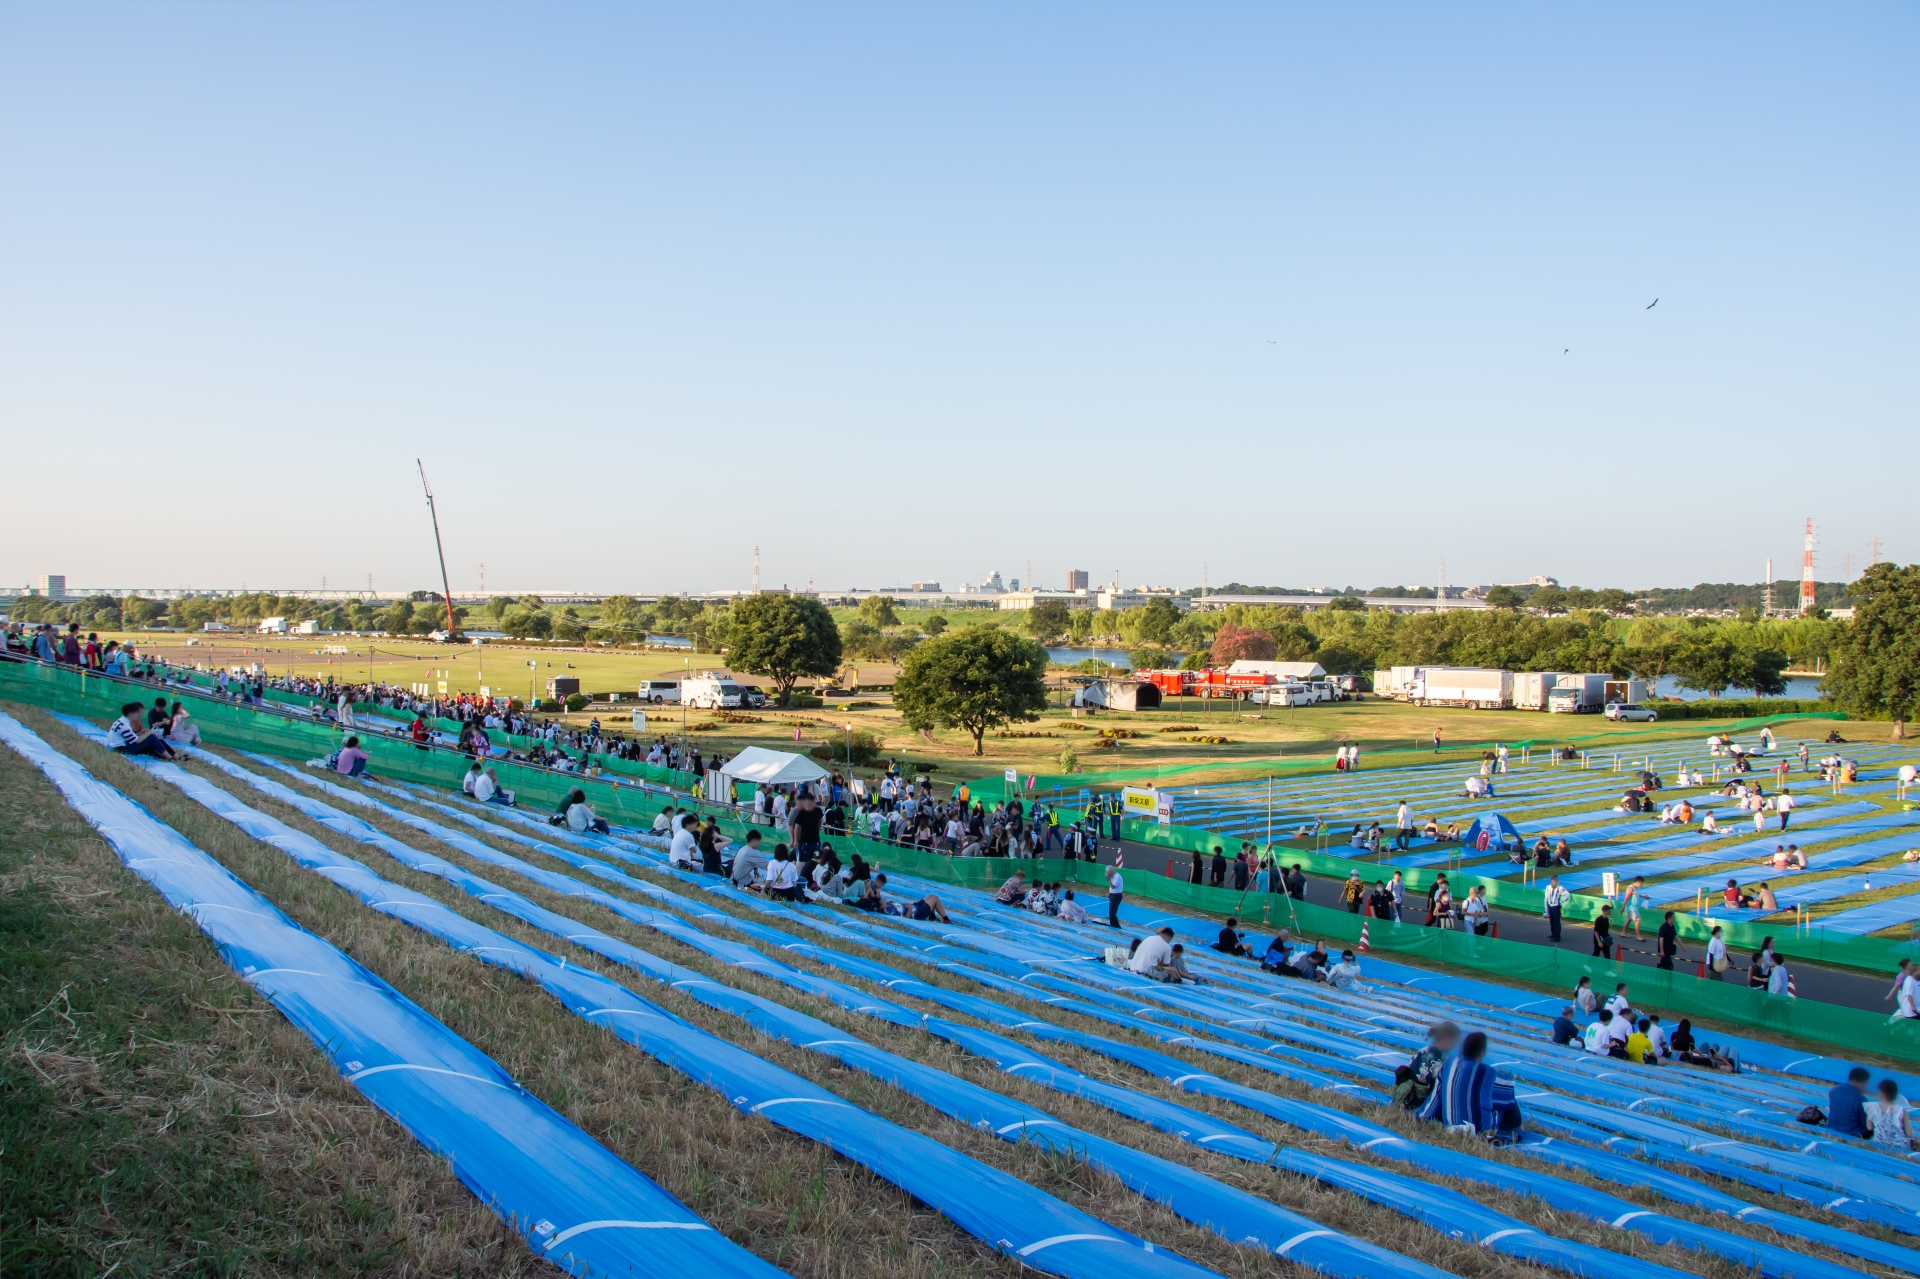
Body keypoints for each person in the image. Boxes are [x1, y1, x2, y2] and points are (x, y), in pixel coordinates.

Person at [1418, 1031, 1522, 1143]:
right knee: (1507, 1094)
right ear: (1481, 1052)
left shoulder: (1448, 1064)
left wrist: (1423, 1115)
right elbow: (1508, 1087)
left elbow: (1436, 1097)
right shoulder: (1486, 1071)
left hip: (1450, 1122)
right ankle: (1520, 1127)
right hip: (1480, 1130)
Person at [1396, 1021, 1459, 1111]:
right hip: (1421, 1105)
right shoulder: (1438, 1064)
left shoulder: (1422, 1051)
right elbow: (1439, 1092)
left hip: (1408, 1098)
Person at [105, 702, 177, 759]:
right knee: (152, 737)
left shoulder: (121, 720)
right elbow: (137, 741)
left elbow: (129, 737)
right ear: (130, 713)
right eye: (137, 713)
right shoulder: (125, 725)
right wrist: (149, 732)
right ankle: (169, 757)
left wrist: (141, 733)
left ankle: (174, 756)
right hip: (121, 749)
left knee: (155, 742)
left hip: (117, 746)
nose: (139, 716)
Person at [1867, 1079, 1914, 1151]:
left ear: (1880, 1093)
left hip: (1878, 1142)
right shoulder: (1901, 1110)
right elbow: (1909, 1134)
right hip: (1899, 1146)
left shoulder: (1872, 1107)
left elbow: (1869, 1128)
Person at [1828, 1068, 1872, 1138]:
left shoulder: (1834, 1090)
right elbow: (1865, 1124)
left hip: (1831, 1129)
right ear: (1859, 1081)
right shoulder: (1860, 1099)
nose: (1866, 1086)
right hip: (1852, 1134)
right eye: (1865, 1082)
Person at [1543, 875, 1569, 943]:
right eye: (1553, 881)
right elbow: (1546, 898)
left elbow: (1567, 895)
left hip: (1556, 907)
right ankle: (1553, 934)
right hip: (1550, 906)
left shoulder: (1560, 888)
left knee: (1556, 922)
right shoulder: (1548, 887)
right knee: (1551, 921)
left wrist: (1561, 901)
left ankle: (1557, 937)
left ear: (1557, 881)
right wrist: (1546, 908)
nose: (1554, 882)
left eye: (1555, 881)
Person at [1106, 860, 1125, 928]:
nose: (1108, 874)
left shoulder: (1117, 877)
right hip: (1113, 895)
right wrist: (1110, 893)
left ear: (1111, 871)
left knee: (1112, 912)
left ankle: (1116, 925)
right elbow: (1113, 888)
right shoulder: (1114, 877)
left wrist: (1108, 880)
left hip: (1116, 896)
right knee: (1111, 911)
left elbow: (1113, 886)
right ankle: (1113, 924)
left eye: (1108, 872)